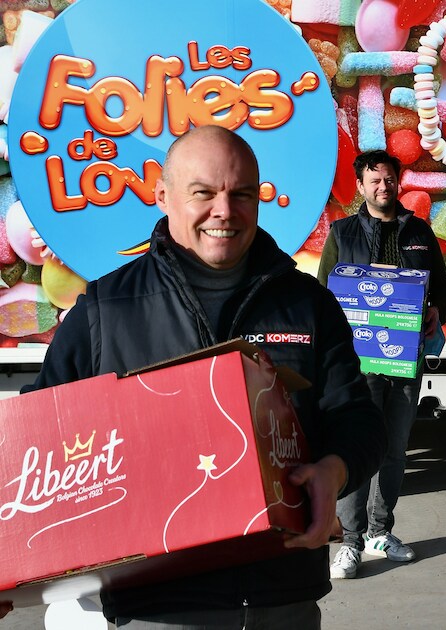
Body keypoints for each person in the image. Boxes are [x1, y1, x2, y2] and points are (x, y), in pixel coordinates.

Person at [23, 125, 385, 627]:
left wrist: (336, 469)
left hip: (280, 598)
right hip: (156, 605)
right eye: (203, 193)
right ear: (163, 195)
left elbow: (358, 420)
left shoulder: (307, 304)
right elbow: (34, 446)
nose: (224, 211)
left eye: (240, 194)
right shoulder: (106, 310)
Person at [316, 150, 446, 579]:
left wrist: (435, 312)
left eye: (390, 179)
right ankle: (351, 542)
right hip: (359, 366)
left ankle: (380, 531)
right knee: (358, 449)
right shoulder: (341, 233)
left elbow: (443, 288)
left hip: (407, 360)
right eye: (374, 181)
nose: (383, 187)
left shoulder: (419, 231)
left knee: (394, 449)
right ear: (361, 187)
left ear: (399, 182)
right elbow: (323, 295)